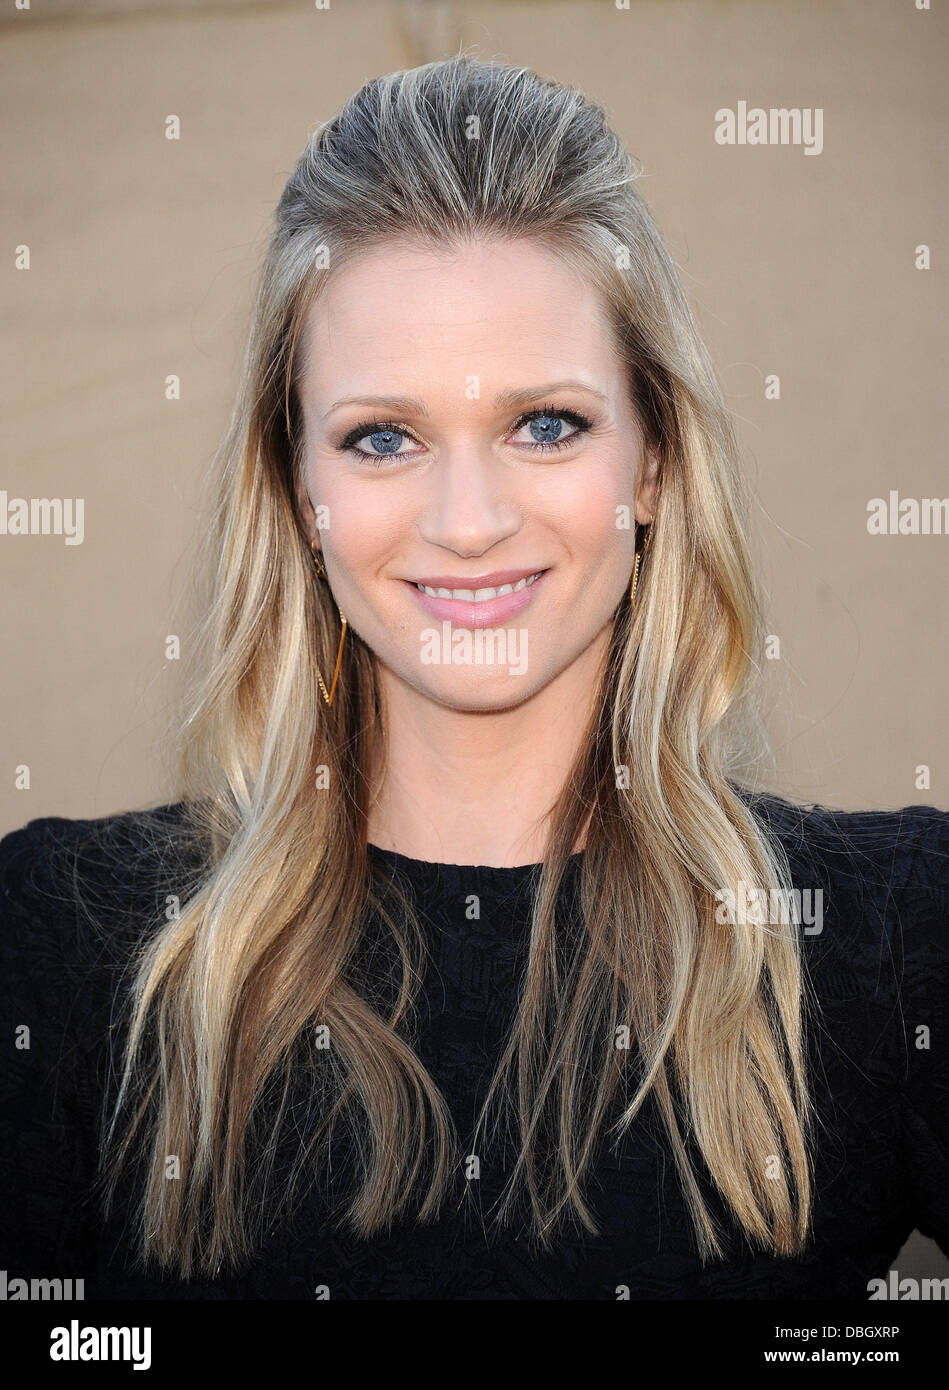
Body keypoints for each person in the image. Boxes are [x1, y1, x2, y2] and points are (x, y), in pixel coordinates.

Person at [0, 53, 946, 1301]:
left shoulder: (891, 941)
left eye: (543, 423)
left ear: (653, 460)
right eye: (382, 436)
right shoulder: (62, 948)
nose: (466, 518)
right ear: (299, 491)